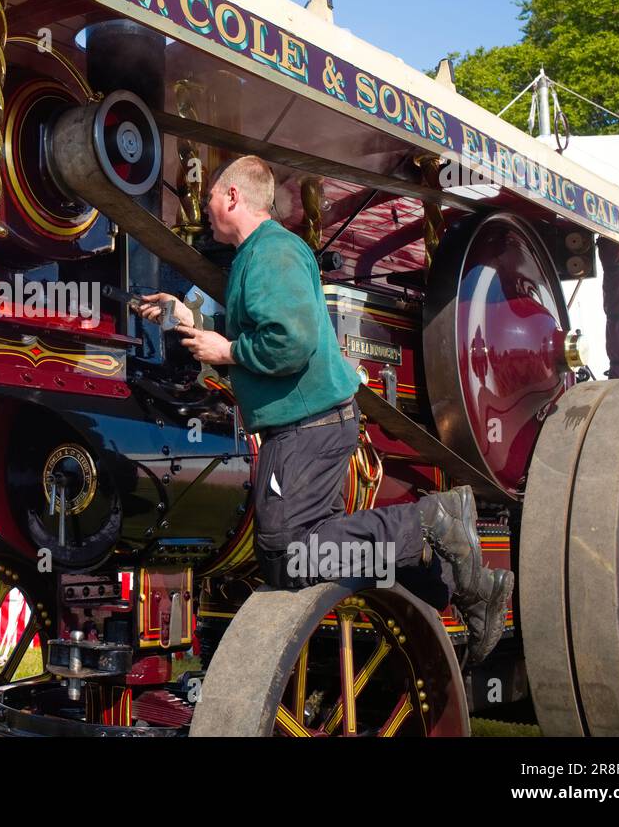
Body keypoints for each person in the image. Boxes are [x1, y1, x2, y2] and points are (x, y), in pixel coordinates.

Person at [138, 155, 513, 667]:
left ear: (232, 197)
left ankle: (433, 521)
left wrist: (226, 352)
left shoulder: (272, 254)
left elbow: (287, 343)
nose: (203, 208)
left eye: (208, 199)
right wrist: (188, 316)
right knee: (295, 555)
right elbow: (259, 328)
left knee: (290, 555)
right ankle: (449, 583)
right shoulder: (261, 255)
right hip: (302, 426)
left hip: (305, 427)